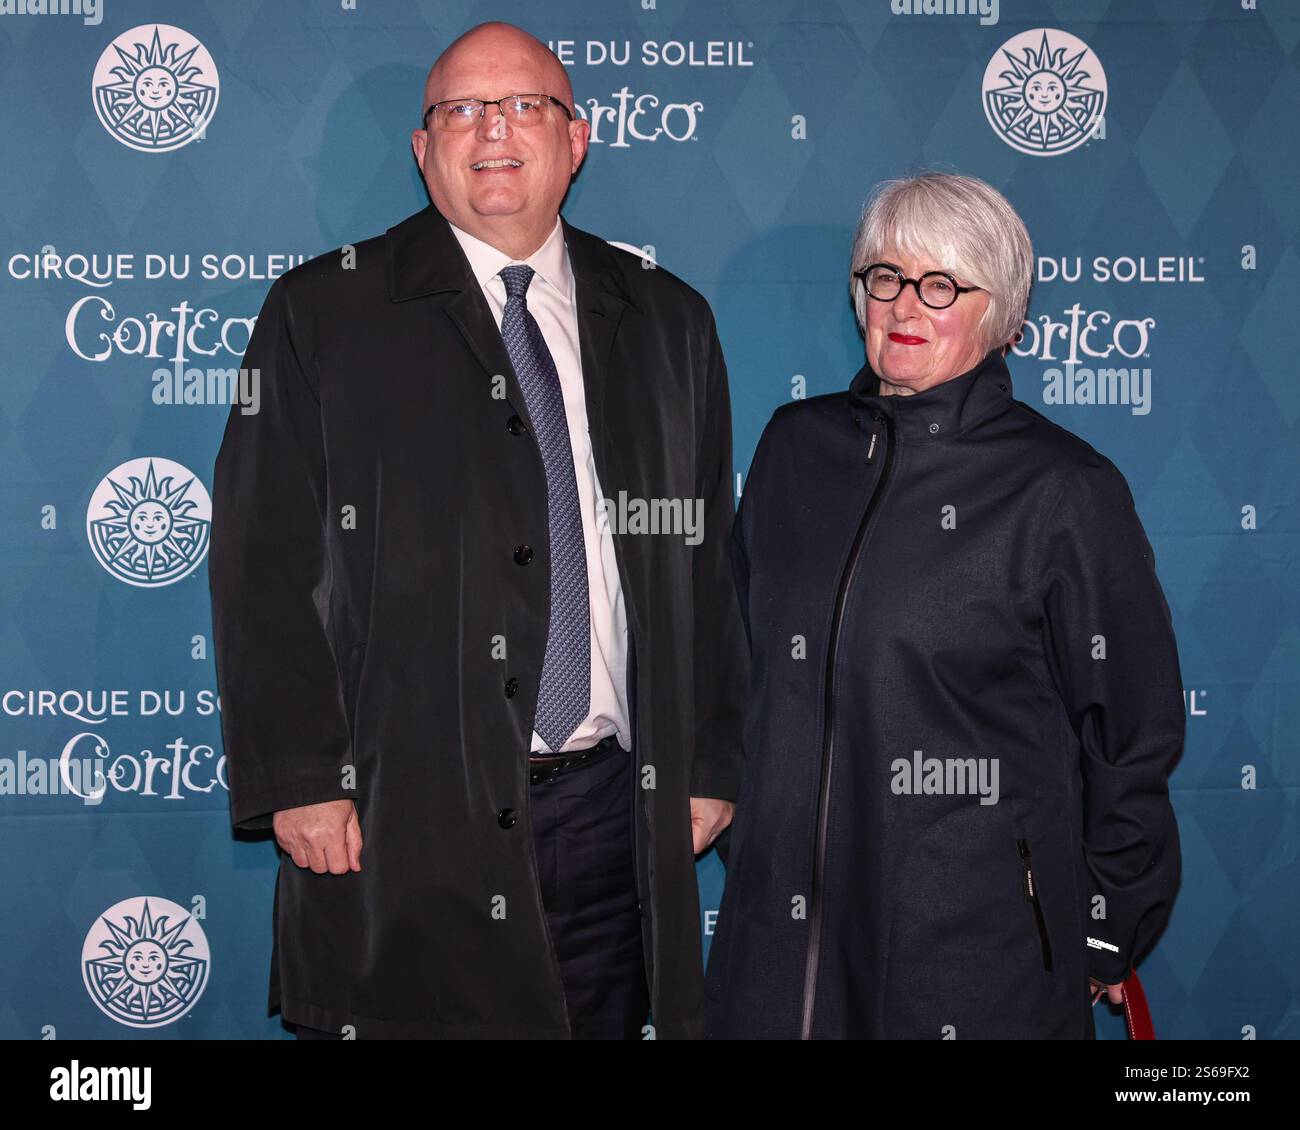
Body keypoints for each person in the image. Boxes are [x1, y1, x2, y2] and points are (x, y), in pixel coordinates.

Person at [209, 21, 746, 1040]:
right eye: (459, 109)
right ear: (423, 149)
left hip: (608, 819)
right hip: (400, 817)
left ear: (575, 140)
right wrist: (302, 777)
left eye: (523, 105)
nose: (490, 128)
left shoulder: (668, 320)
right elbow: (260, 560)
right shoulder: (321, 310)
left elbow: (707, 563)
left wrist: (712, 762)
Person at [705, 172, 1183, 1039]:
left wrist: (1104, 926)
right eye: (884, 277)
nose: (904, 305)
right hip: (778, 937)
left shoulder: (1063, 490)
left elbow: (1132, 731)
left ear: (1001, 315)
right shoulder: (793, 448)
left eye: (942, 284)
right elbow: (735, 667)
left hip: (968, 950)